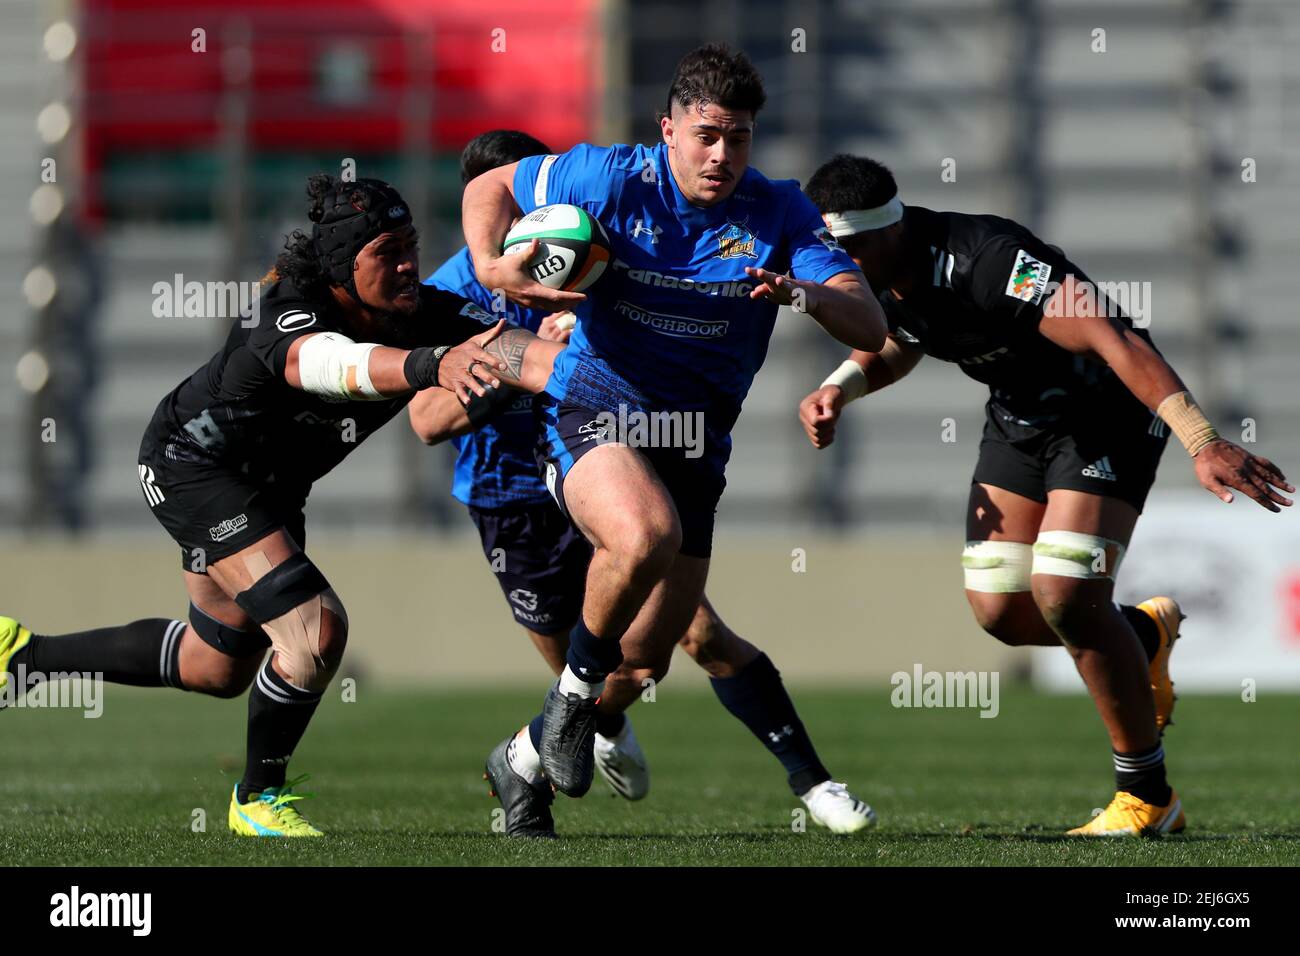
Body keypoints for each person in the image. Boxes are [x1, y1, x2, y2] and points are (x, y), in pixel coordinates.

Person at [0, 174, 563, 837]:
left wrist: (581, 354)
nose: (409, 262)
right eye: (388, 251)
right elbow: (332, 366)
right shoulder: (286, 318)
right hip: (194, 467)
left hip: (269, 489)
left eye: (411, 243)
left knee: (216, 667)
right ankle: (256, 800)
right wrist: (429, 365)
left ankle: (21, 659)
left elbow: (516, 353)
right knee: (314, 631)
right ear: (342, 264)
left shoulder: (417, 310)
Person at [797, 154, 1293, 836]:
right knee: (1002, 610)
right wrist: (839, 387)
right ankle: (1141, 634)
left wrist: (1203, 439)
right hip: (1019, 421)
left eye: (846, 251)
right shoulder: (881, 277)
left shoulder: (992, 261)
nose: (837, 270)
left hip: (1105, 419)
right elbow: (904, 338)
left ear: (885, 233)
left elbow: (1112, 338)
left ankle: (1148, 797)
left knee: (1066, 593)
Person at [458, 45, 888, 830]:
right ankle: (573, 704)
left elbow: (870, 323)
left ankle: (519, 759)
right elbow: (492, 183)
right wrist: (491, 267)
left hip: (695, 442)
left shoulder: (782, 211)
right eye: (708, 134)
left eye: (741, 137)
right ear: (669, 130)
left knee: (647, 658)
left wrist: (803, 294)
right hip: (592, 405)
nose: (724, 154)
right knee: (644, 534)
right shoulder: (609, 177)